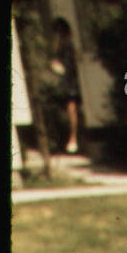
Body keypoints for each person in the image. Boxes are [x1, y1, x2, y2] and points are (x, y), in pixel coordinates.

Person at [50, 16, 81, 155]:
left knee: (71, 111)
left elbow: (68, 66)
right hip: (64, 84)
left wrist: (58, 67)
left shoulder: (68, 45)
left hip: (70, 83)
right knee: (67, 112)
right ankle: (69, 139)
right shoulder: (61, 46)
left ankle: (73, 139)